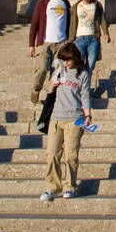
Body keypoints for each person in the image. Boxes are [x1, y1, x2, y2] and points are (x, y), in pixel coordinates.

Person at [40, 42, 92, 202]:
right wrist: (51, 86)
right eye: (63, 59)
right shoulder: (59, 71)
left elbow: (85, 95)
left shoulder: (82, 74)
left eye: (68, 59)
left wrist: (88, 115)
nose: (66, 62)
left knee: (70, 155)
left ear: (75, 58)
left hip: (75, 119)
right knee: (52, 154)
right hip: (56, 118)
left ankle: (70, 186)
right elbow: (50, 94)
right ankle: (52, 187)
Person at [28, 0, 72, 107]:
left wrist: (69, 40)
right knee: (42, 69)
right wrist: (31, 45)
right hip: (45, 42)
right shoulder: (42, 3)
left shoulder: (65, 2)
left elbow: (69, 21)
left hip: (61, 43)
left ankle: (53, 97)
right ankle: (36, 89)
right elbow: (34, 24)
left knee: (59, 72)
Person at [68, 0, 110, 88]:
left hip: (93, 39)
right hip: (79, 38)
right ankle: (80, 85)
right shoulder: (76, 7)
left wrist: (105, 33)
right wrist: (70, 39)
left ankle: (85, 84)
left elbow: (102, 20)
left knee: (90, 65)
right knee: (80, 64)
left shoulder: (97, 5)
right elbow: (72, 23)